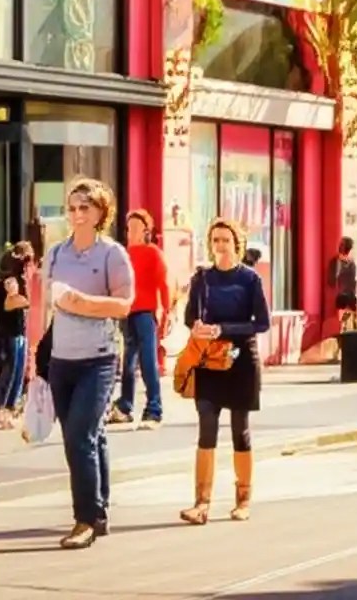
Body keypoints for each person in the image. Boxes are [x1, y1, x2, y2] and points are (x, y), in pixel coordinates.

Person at [43, 177, 135, 549]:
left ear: (101, 213)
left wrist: (85, 303)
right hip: (61, 357)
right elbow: (43, 304)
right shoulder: (55, 253)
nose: (78, 214)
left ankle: (84, 519)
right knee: (91, 435)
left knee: (78, 436)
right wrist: (36, 355)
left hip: (98, 358)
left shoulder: (112, 254)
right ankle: (100, 512)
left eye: (86, 208)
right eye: (73, 207)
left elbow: (125, 303)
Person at [179, 219, 271, 525]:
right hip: (208, 359)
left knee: (239, 429)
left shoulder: (249, 279)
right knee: (206, 424)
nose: (220, 245)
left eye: (225, 240)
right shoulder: (202, 278)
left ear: (237, 244)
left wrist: (224, 329)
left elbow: (261, 323)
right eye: (215, 240)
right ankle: (201, 502)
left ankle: (243, 499)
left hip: (241, 358)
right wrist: (197, 326)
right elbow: (189, 314)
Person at [111, 209, 170, 429]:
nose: (131, 232)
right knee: (127, 364)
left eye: (136, 227)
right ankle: (125, 407)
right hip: (127, 313)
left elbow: (163, 283)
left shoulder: (152, 252)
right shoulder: (122, 254)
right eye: (129, 228)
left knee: (148, 363)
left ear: (146, 231)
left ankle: (154, 409)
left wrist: (166, 310)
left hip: (146, 313)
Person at [0, 241, 35, 429]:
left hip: (18, 331)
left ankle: (9, 409)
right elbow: (10, 304)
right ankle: (1, 410)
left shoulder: (15, 279)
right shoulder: (6, 281)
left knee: (17, 373)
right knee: (9, 372)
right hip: (8, 332)